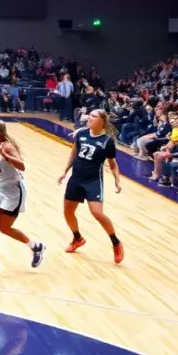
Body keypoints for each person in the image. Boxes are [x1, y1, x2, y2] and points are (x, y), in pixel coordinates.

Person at [0, 120, 45, 277]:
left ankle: (36, 246)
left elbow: (22, 166)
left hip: (14, 190)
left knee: (4, 228)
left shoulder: (7, 147)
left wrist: (6, 155)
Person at [58, 109, 124, 264]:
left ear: (101, 121)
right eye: (90, 115)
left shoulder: (107, 141)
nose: (89, 117)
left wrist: (117, 180)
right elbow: (73, 153)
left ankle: (116, 243)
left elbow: (113, 164)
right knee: (68, 212)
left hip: (93, 181)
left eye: (93, 116)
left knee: (97, 213)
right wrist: (65, 171)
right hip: (76, 179)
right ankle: (77, 239)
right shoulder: (81, 134)